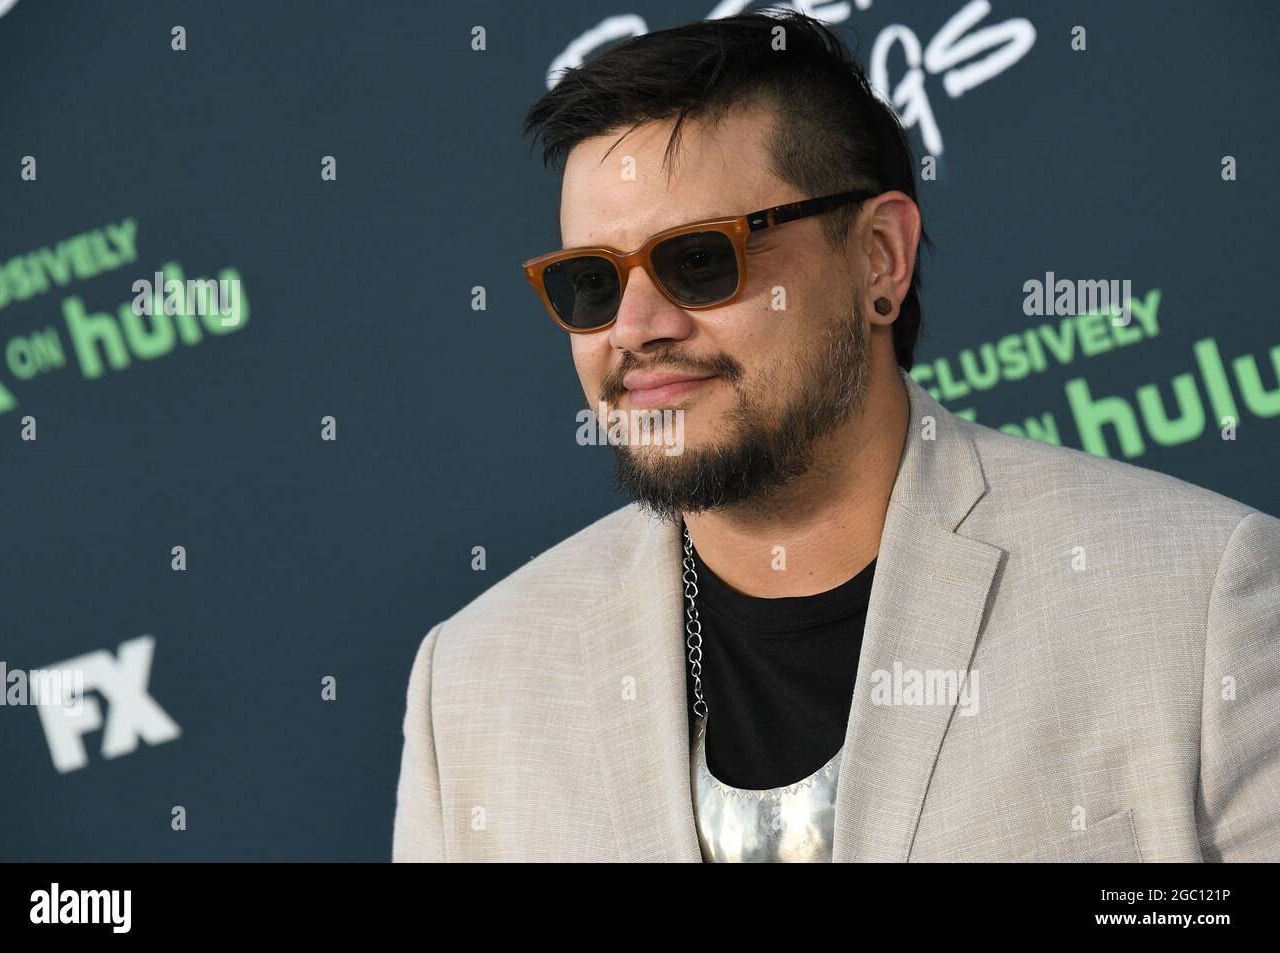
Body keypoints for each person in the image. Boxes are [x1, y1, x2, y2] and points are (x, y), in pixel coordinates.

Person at [393, 10, 1280, 862]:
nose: (634, 327)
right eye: (590, 281)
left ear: (879, 258)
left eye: (700, 259)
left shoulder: (1196, 604)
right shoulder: (474, 682)